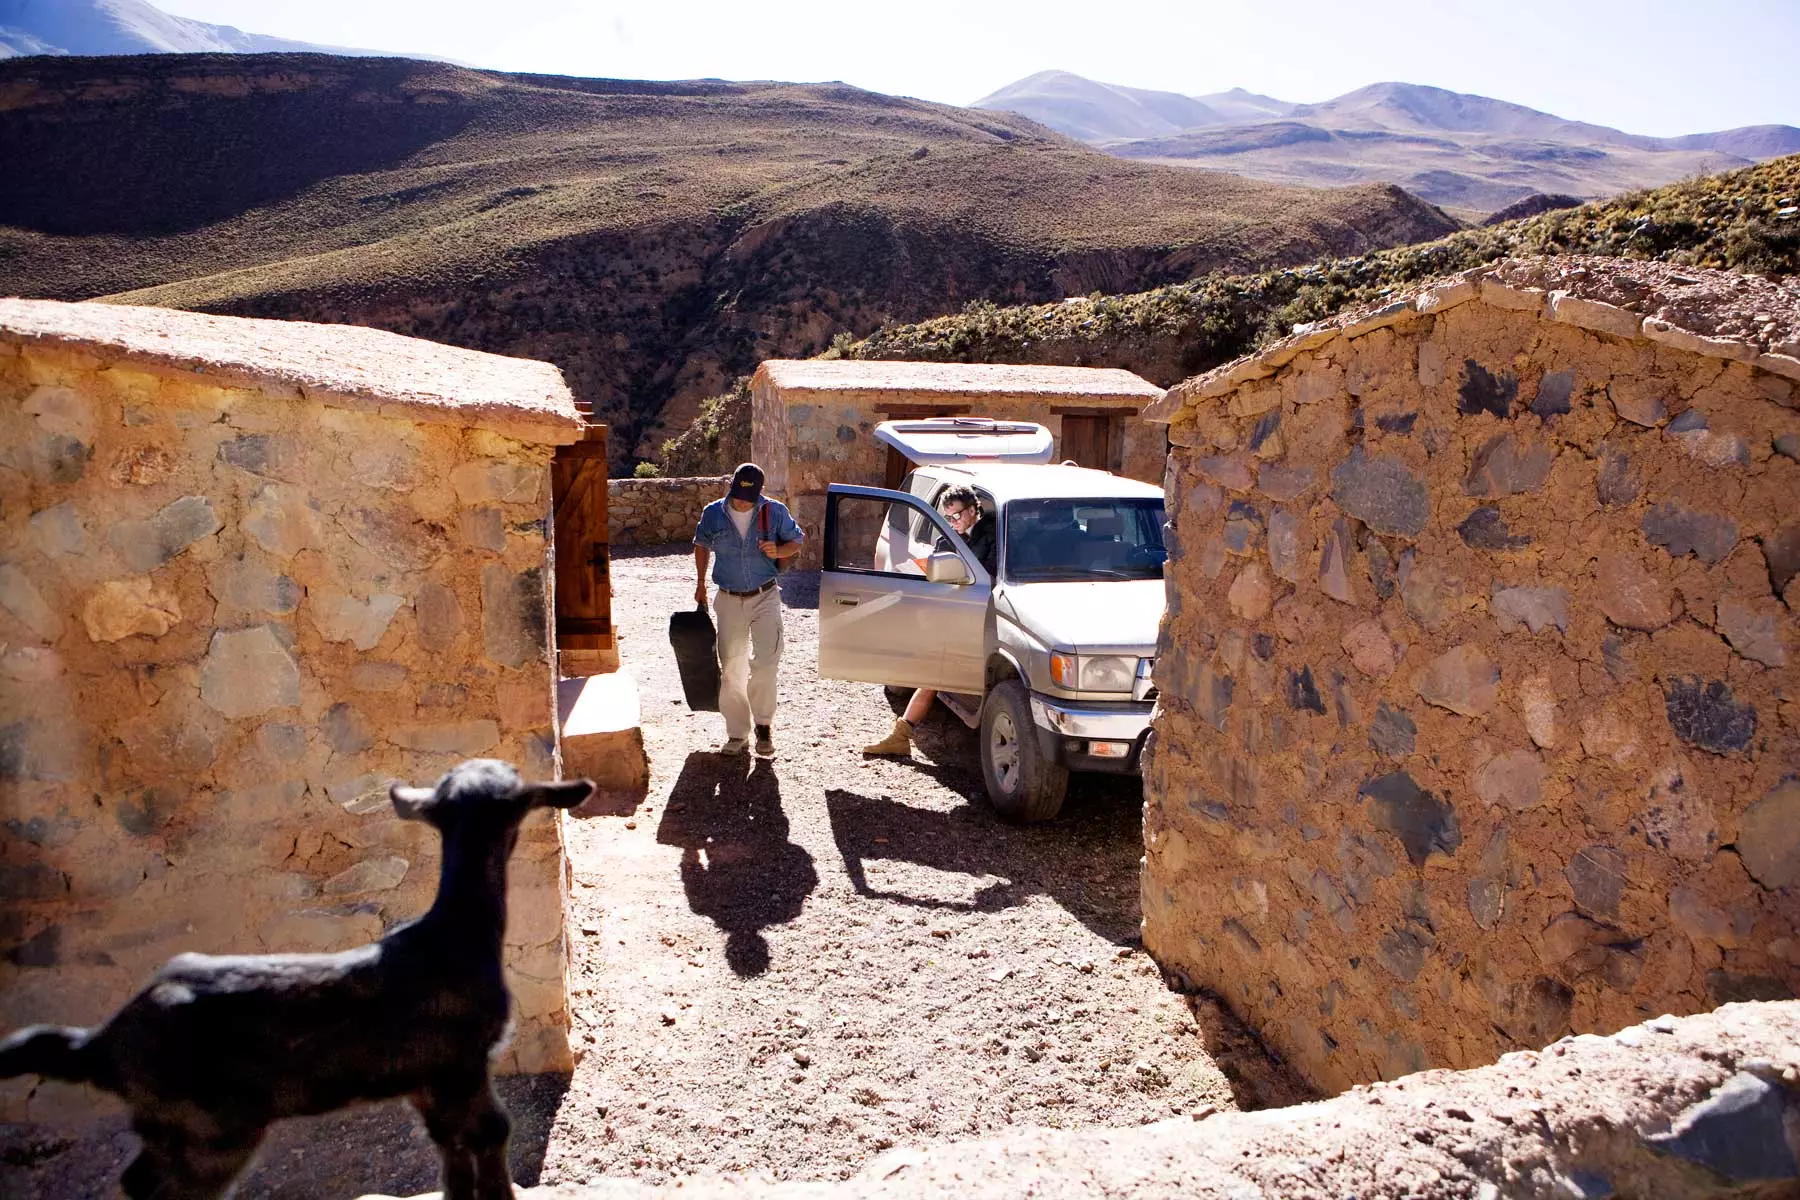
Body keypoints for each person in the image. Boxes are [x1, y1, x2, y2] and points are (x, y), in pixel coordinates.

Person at [864, 486, 994, 758]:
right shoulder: (947, 537)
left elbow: (989, 574)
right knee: (932, 674)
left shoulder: (992, 533)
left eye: (956, 516)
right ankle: (902, 734)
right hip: (952, 615)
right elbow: (936, 571)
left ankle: (901, 734)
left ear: (972, 510)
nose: (952, 523)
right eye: (947, 517)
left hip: (982, 616)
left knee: (935, 674)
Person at [694, 463, 804, 756]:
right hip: (728, 598)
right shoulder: (713, 513)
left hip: (765, 595)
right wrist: (700, 583)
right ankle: (737, 734)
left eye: (749, 496)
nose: (742, 501)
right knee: (731, 667)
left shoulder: (775, 511)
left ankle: (764, 727)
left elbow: (797, 541)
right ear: (732, 486)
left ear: (759, 492)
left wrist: (778, 552)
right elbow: (701, 544)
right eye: (738, 494)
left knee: (767, 662)